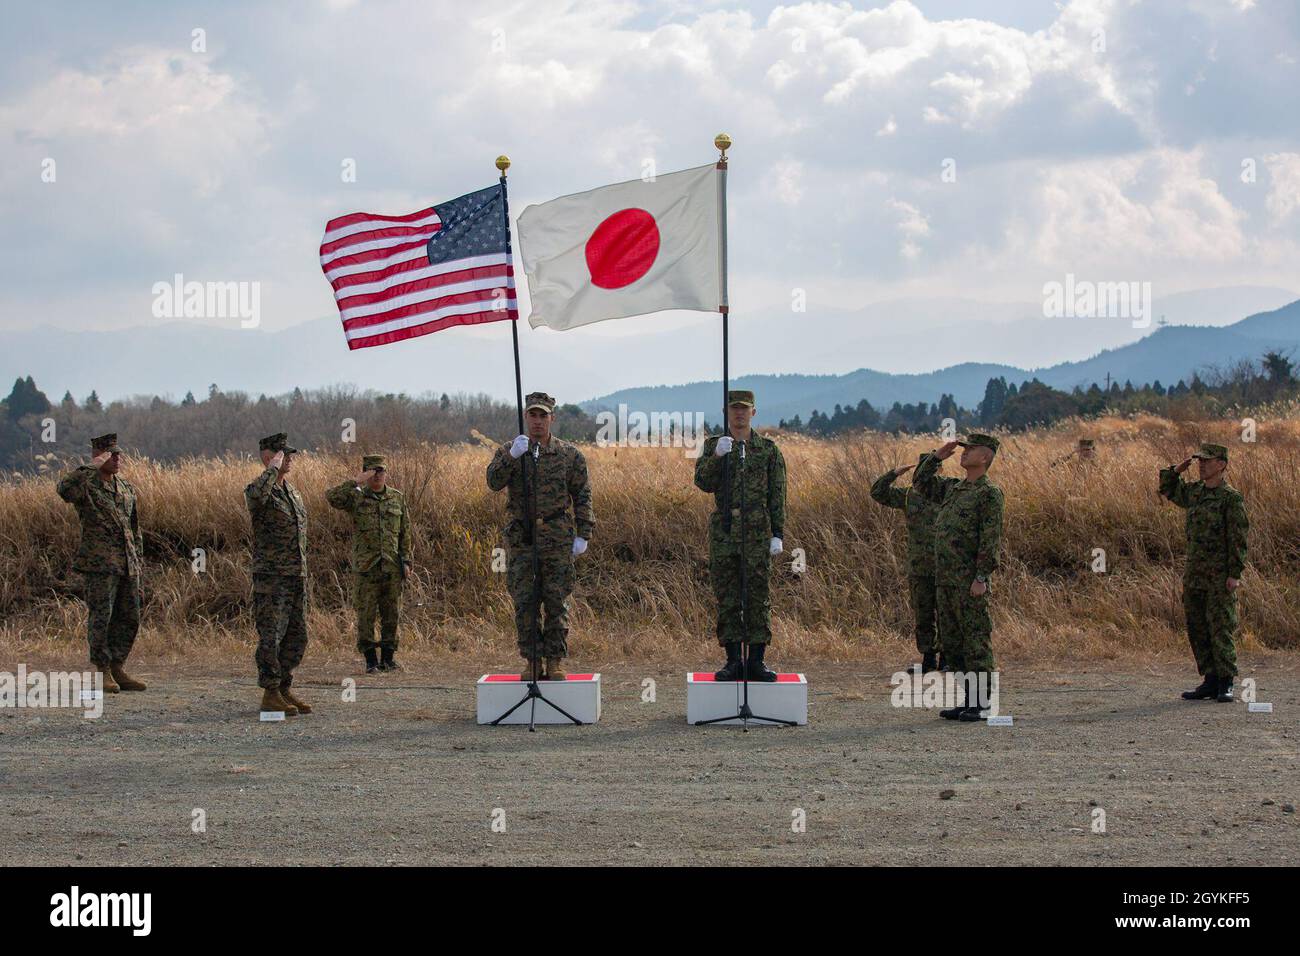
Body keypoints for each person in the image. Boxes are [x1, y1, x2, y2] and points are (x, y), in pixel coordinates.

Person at [486, 393, 594, 680]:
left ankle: (555, 659)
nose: (537, 421)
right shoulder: (512, 450)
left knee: (557, 599)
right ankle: (532, 660)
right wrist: (511, 458)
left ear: (552, 418)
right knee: (525, 601)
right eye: (533, 415)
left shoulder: (569, 454)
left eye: (543, 415)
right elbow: (493, 482)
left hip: (556, 534)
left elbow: (582, 494)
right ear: (526, 417)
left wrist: (584, 532)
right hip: (523, 536)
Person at [694, 390, 787, 682]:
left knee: (758, 596)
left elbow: (778, 494)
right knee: (728, 596)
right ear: (726, 412)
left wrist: (778, 533)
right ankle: (733, 660)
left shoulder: (767, 450)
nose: (739, 414)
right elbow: (703, 483)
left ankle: (756, 661)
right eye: (734, 409)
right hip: (724, 530)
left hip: (758, 531)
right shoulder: (715, 446)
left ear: (753, 413)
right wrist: (718, 458)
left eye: (744, 409)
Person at [913, 435, 1004, 721]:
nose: (963, 454)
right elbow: (921, 483)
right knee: (953, 644)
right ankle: (967, 700)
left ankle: (981, 703)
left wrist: (981, 577)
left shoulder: (989, 493)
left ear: (985, 457)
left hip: (968, 581)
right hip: (946, 580)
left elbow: (990, 539)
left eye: (970, 450)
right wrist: (937, 457)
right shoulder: (954, 489)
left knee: (975, 641)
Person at [55, 433, 146, 693]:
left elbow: (134, 528)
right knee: (101, 617)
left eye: (119, 454)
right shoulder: (86, 485)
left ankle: (117, 666)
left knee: (130, 617)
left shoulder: (125, 487)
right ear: (98, 455)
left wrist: (138, 561)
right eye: (111, 454)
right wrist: (91, 466)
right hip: (100, 564)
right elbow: (64, 490)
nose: (117, 459)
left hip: (127, 563)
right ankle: (102, 670)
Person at [1159, 443, 1248, 703]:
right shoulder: (1195, 493)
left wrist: (1235, 573)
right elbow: (1167, 489)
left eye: (1207, 461)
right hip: (1196, 572)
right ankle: (1209, 679)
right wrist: (1177, 469)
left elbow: (1238, 538)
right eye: (1199, 461)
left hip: (1220, 575)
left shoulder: (1230, 498)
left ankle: (1226, 681)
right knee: (1197, 626)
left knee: (1220, 627)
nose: (1202, 465)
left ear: (1221, 465)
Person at [245, 434, 311, 715]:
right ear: (268, 456)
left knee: (297, 636)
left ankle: (284, 688)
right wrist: (271, 469)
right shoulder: (259, 491)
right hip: (271, 578)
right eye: (283, 454)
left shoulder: (291, 492)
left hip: (295, 575)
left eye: (290, 454)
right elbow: (255, 495)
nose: (289, 458)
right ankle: (270, 693)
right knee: (271, 636)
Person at [326, 454, 411, 673]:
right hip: (366, 568)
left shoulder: (396, 498)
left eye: (380, 471)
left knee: (392, 614)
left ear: (386, 472)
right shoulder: (356, 498)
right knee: (366, 615)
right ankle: (371, 660)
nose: (377, 476)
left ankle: (388, 659)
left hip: (391, 566)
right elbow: (332, 497)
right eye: (373, 472)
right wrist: (355, 481)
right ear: (366, 473)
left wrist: (406, 560)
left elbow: (405, 532)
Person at [871, 453, 940, 671]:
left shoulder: (949, 493)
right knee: (923, 614)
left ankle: (949, 659)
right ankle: (928, 659)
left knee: (948, 614)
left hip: (947, 564)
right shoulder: (909, 495)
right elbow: (877, 493)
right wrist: (894, 473)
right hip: (919, 565)